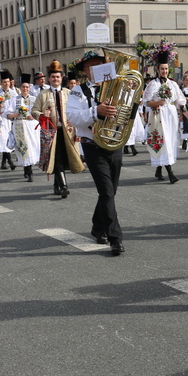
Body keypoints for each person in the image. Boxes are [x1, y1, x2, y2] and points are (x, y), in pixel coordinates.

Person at [67, 50, 127, 256]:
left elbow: (131, 108)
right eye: (92, 67)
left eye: (101, 65)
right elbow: (73, 117)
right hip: (92, 145)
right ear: (85, 71)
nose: (97, 70)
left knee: (110, 191)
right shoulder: (77, 91)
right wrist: (96, 111)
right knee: (107, 192)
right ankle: (115, 238)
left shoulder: (117, 86)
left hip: (114, 142)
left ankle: (97, 226)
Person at [32, 60, 85, 198]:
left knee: (65, 158)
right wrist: (43, 115)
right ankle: (64, 186)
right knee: (56, 158)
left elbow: (78, 112)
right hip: (51, 132)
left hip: (67, 131)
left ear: (62, 78)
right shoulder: (43, 94)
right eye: (53, 77)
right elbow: (34, 111)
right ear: (49, 79)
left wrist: (78, 131)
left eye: (58, 77)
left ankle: (57, 185)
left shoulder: (69, 93)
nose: (55, 79)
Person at [143, 50, 188, 184]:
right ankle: (171, 173)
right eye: (162, 69)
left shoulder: (173, 84)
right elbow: (146, 101)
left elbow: (180, 101)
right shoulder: (153, 84)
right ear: (157, 69)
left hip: (171, 115)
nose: (164, 71)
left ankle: (159, 169)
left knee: (170, 140)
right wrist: (157, 103)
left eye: (166, 69)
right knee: (163, 142)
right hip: (158, 115)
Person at [7, 75, 41, 182]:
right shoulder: (15, 99)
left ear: (29, 88)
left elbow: (40, 112)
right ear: (20, 88)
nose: (25, 89)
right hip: (19, 125)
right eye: (23, 87)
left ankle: (29, 168)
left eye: (27, 87)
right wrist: (16, 114)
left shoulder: (34, 99)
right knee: (23, 147)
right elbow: (8, 114)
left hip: (32, 126)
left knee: (32, 146)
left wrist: (34, 116)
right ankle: (27, 169)